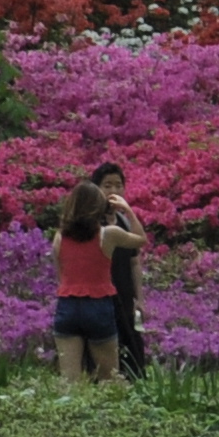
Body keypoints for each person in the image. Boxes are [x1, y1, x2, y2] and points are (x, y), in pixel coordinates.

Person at [48, 176, 141, 386]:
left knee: (69, 381)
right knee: (109, 377)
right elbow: (141, 239)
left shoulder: (60, 237)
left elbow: (60, 275)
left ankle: (67, 415)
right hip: (99, 305)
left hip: (67, 306)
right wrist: (127, 210)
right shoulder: (108, 235)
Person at [94, 163, 149, 371]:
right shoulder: (93, 224)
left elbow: (135, 259)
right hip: (102, 295)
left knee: (131, 348)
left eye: (118, 185)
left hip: (124, 294)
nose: (114, 191)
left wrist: (139, 299)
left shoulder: (124, 222)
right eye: (107, 185)